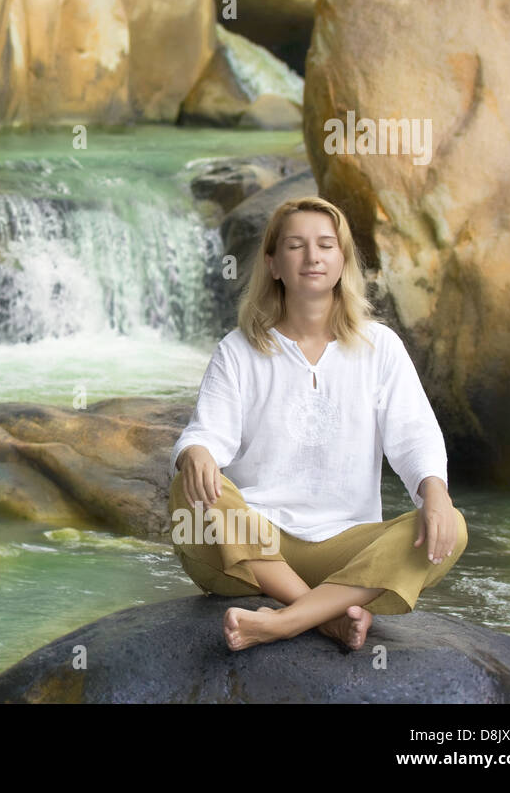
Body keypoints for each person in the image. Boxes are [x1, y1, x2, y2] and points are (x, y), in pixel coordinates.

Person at [169, 196, 468, 652]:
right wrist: (196, 455)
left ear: (342, 260)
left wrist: (435, 492)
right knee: (187, 492)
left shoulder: (379, 347)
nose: (312, 257)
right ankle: (324, 615)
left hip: (345, 548)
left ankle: (285, 622)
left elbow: (415, 437)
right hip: (254, 545)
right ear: (272, 263)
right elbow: (207, 434)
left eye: (326, 245)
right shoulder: (239, 350)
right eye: (296, 245)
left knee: (451, 525)